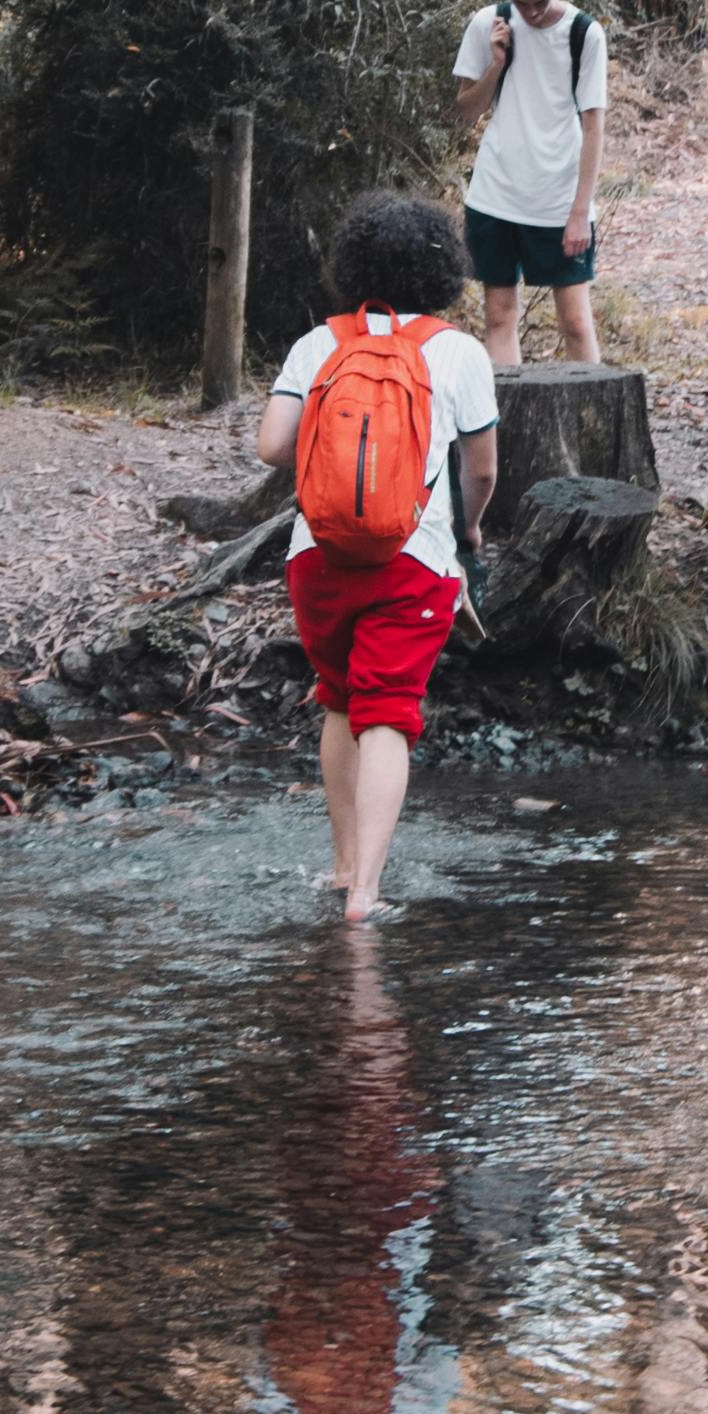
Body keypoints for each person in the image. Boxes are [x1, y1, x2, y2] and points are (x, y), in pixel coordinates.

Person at [257, 191, 502, 919]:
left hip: (317, 555)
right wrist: (471, 530)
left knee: (337, 699)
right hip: (413, 559)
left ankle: (338, 869)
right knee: (387, 713)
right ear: (444, 271)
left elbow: (271, 445)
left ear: (351, 265)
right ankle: (366, 892)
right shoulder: (458, 352)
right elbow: (482, 471)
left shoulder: (317, 343)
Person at [451, 0, 608, 366]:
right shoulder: (489, 23)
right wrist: (497, 63)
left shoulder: (584, 33)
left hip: (559, 200)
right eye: (523, 4)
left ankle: (587, 427)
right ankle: (507, 427)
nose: (533, 13)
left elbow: (593, 127)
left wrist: (581, 210)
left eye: (541, 2)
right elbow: (466, 110)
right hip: (496, 194)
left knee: (575, 321)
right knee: (500, 316)